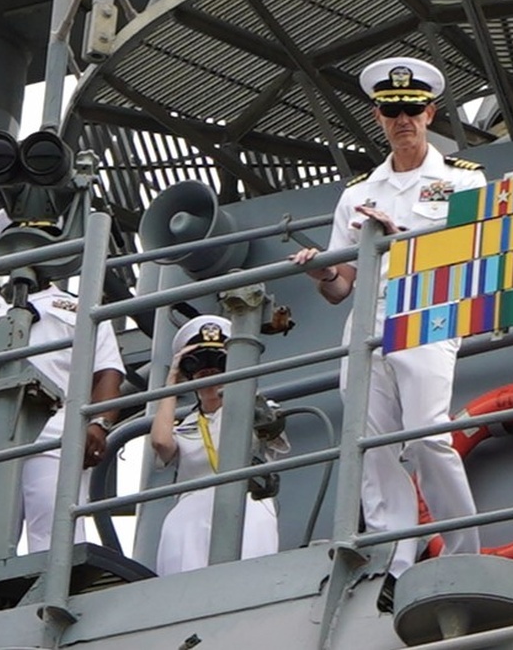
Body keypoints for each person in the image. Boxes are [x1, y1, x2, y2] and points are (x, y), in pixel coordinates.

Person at [290, 57, 486, 592]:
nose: (403, 119)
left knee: (427, 434)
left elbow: (477, 254)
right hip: (367, 326)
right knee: (370, 445)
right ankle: (394, 558)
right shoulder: (357, 193)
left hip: (428, 312)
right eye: (392, 109)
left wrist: (397, 235)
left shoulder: (463, 181)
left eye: (413, 109)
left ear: (431, 113)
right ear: (378, 115)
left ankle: (462, 548)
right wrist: (322, 269)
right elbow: (340, 288)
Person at [0, 277, 124, 566]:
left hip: (58, 427)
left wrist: (99, 423)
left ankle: (54, 593)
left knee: (56, 526)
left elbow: (106, 373)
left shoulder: (83, 309)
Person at [151, 314, 289, 576]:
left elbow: (268, 431)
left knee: (246, 582)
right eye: (201, 371)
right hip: (190, 514)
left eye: (219, 367)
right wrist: (172, 378)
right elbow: (160, 441)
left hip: (246, 504)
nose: (210, 377)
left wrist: (238, 370)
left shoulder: (257, 410)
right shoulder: (185, 425)